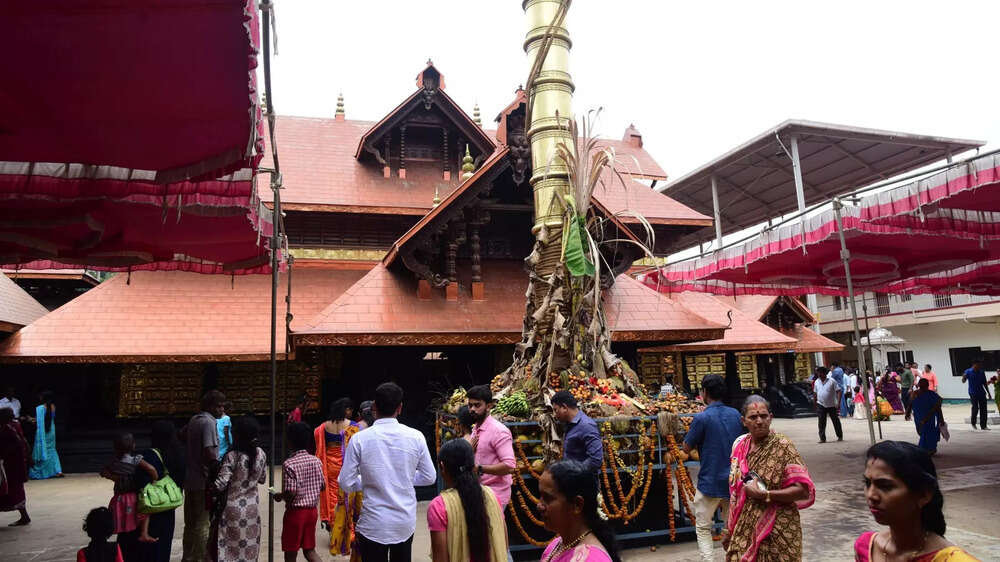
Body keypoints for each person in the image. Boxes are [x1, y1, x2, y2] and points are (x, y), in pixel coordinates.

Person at [338, 382, 436, 561]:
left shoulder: (359, 440)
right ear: (400, 408)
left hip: (373, 523)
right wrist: (402, 477)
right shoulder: (416, 437)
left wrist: (369, 479)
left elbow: (345, 482)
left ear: (374, 406)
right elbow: (429, 477)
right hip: (403, 523)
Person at [724, 395, 815, 561]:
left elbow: (802, 491)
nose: (759, 421)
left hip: (779, 526)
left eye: (763, 416)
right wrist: (729, 529)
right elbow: (735, 493)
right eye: (753, 417)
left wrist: (766, 495)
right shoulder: (740, 447)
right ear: (743, 421)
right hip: (745, 525)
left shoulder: (783, 445)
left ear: (771, 418)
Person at [855, 440, 979, 561]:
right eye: (867, 483)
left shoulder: (952, 559)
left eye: (885, 486)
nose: (871, 495)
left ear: (924, 495)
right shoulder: (867, 547)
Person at [682, 374, 744, 562]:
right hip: (734, 481)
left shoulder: (702, 418)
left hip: (710, 481)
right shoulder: (735, 414)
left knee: (703, 527)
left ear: (705, 393)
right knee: (732, 527)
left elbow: (686, 448)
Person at [428, 439, 507, 562]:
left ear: (442, 466)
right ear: (473, 465)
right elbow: (503, 545)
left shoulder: (439, 506)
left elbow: (440, 559)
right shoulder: (492, 497)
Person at [536, 460, 621, 562]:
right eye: (540, 496)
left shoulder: (591, 558)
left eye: (548, 498)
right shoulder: (556, 545)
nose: (539, 506)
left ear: (577, 505)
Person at [208, 417, 267, 562]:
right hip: (251, 510)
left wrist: (209, 487)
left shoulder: (233, 456)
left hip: (231, 510)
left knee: (227, 550)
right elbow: (262, 479)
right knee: (247, 550)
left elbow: (220, 484)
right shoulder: (261, 453)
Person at [313, 397, 361, 557]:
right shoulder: (353, 426)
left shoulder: (324, 427)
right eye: (350, 409)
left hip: (330, 467)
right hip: (346, 465)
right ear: (346, 409)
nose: (351, 412)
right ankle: (349, 535)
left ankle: (336, 533)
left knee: (334, 498)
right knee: (348, 497)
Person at [181, 390, 225, 562]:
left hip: (190, 479)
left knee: (190, 523)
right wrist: (217, 469)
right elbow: (209, 451)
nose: (222, 410)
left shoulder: (194, 419)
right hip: (202, 480)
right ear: (210, 406)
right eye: (219, 406)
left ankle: (188, 556)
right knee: (202, 523)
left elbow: (182, 435)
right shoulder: (208, 422)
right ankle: (200, 557)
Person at [134, 420, 186, 562]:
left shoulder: (150, 455)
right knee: (163, 547)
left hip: (152, 507)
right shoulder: (178, 454)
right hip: (168, 508)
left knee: (149, 550)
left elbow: (141, 483)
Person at [100, 432, 159, 551]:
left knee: (123, 516)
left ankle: (124, 532)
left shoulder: (114, 463)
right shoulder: (135, 460)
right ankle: (144, 533)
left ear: (115, 448)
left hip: (119, 498)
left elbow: (103, 472)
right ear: (133, 446)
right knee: (145, 512)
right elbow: (151, 469)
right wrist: (154, 480)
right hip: (133, 496)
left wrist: (114, 477)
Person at [275, 422, 325, 562]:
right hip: (312, 512)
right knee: (309, 550)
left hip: (296, 513)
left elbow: (290, 492)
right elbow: (322, 486)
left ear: (289, 442)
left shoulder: (290, 464)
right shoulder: (316, 461)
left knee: (291, 553)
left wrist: (280, 496)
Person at [466, 385, 516, 512]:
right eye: (470, 405)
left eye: (477, 405)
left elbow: (510, 466)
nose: (472, 409)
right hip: (479, 493)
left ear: (489, 406)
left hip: (495, 496)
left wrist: (480, 469)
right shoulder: (476, 428)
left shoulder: (499, 431)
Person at [550, 391, 603, 475]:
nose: (554, 414)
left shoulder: (586, 426)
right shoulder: (569, 424)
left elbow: (596, 459)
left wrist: (572, 472)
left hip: (582, 483)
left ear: (564, 407)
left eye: (555, 410)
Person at [0, 407, 30, 526]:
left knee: (14, 489)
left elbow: (19, 442)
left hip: (10, 464)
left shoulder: (9, 428)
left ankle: (24, 516)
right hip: (12, 463)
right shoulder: (13, 425)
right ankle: (24, 516)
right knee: (14, 489)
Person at [906, 379, 946, 455]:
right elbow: (910, 404)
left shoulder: (931, 394)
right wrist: (907, 413)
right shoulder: (914, 394)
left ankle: (926, 449)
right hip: (919, 417)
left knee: (927, 433)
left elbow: (937, 406)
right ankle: (928, 449)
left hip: (928, 418)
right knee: (922, 432)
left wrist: (941, 419)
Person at [29, 390, 63, 479]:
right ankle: (57, 470)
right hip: (51, 431)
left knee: (43, 449)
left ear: (43, 398)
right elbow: (51, 418)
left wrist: (30, 419)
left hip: (43, 432)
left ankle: (44, 472)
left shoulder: (40, 408)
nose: (39, 397)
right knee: (52, 450)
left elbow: (38, 422)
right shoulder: (53, 406)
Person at [812, 367, 843, 443]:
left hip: (831, 404)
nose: (819, 374)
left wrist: (838, 402)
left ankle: (839, 436)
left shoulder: (832, 381)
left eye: (821, 373)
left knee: (835, 421)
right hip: (821, 404)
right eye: (818, 373)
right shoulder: (816, 382)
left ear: (825, 373)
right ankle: (822, 438)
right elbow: (815, 393)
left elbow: (839, 391)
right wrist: (815, 402)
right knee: (821, 422)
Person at [961, 359, 991, 430]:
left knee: (984, 409)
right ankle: (973, 423)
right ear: (974, 365)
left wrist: (988, 393)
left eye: (980, 365)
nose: (979, 366)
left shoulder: (981, 372)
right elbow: (963, 381)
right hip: (973, 393)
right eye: (978, 365)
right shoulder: (968, 371)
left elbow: (984, 383)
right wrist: (964, 377)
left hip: (981, 393)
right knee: (975, 408)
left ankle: (983, 426)